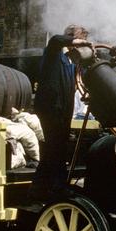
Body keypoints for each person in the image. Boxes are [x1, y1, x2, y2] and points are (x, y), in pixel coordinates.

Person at [30, 24, 90, 200]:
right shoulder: (54, 54)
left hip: (63, 110)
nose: (83, 42)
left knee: (56, 148)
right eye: (81, 37)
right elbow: (55, 40)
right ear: (71, 38)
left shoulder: (71, 62)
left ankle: (39, 189)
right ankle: (57, 188)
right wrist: (78, 41)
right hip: (50, 108)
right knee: (56, 147)